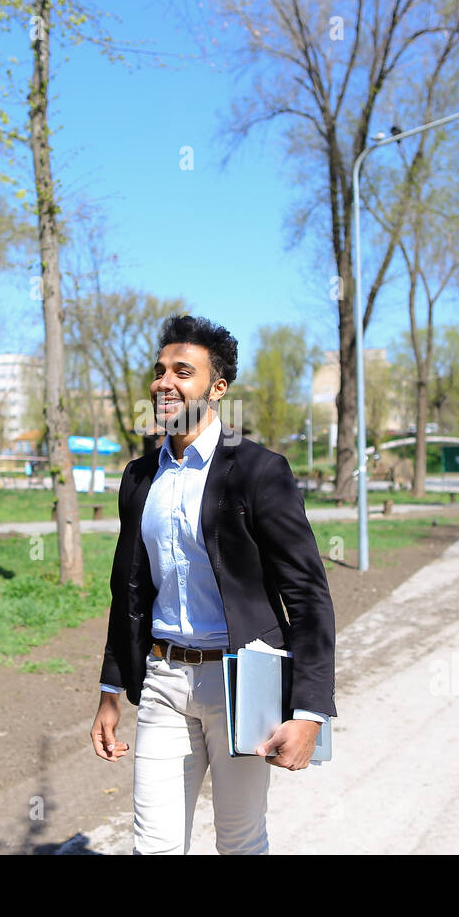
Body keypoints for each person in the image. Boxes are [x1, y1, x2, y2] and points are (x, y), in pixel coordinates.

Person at [91, 315, 335, 855]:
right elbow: (127, 590)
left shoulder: (259, 471)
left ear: (217, 388)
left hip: (242, 683)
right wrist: (111, 690)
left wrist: (309, 712)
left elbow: (308, 596)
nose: (164, 383)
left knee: (240, 841)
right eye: (159, 371)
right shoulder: (138, 477)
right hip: (162, 682)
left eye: (183, 371)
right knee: (152, 844)